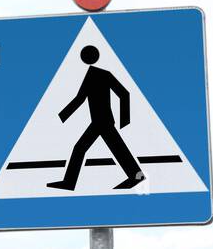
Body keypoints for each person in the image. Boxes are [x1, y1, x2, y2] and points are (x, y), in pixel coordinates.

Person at [46, 45, 143, 191]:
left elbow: (81, 98)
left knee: (81, 148)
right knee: (116, 148)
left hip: (101, 121)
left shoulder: (92, 75)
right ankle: (136, 175)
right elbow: (124, 94)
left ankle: (69, 182)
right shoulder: (103, 74)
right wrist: (124, 120)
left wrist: (61, 116)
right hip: (102, 121)